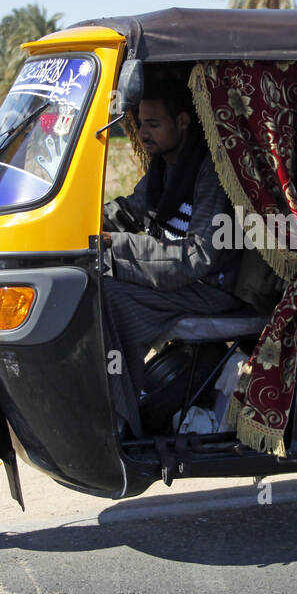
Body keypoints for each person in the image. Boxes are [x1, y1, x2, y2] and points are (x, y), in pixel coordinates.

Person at [100, 75, 246, 438]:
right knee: (92, 283)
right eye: (140, 124)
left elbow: (195, 257)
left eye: (153, 124)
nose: (144, 133)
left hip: (211, 288)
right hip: (181, 281)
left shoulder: (210, 171)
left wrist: (110, 249)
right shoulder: (164, 167)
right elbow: (129, 212)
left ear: (182, 122)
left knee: (109, 297)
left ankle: (122, 421)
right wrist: (79, 223)